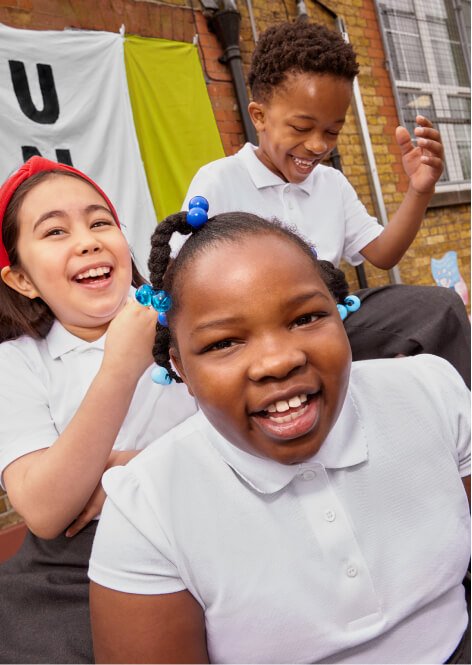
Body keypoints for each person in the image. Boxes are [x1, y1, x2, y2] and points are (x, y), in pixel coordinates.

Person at [89, 204, 470, 664]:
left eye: (306, 318)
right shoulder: (146, 509)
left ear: (341, 313)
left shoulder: (430, 391)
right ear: (179, 368)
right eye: (223, 342)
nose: (278, 361)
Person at [179, 20, 470, 388]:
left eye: (332, 131)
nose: (318, 145)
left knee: (441, 309)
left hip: (328, 321)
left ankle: (458, 424)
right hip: (257, 339)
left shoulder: (331, 184)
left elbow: (384, 254)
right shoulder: (219, 181)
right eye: (301, 128)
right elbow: (183, 281)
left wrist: (420, 190)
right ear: (259, 116)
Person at [0, 157, 197, 664]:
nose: (86, 240)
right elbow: (45, 510)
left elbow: (256, 427)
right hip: (76, 561)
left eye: (100, 221)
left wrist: (126, 472)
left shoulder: (190, 316)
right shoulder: (17, 363)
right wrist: (120, 367)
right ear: (21, 279)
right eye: (56, 231)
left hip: (205, 521)